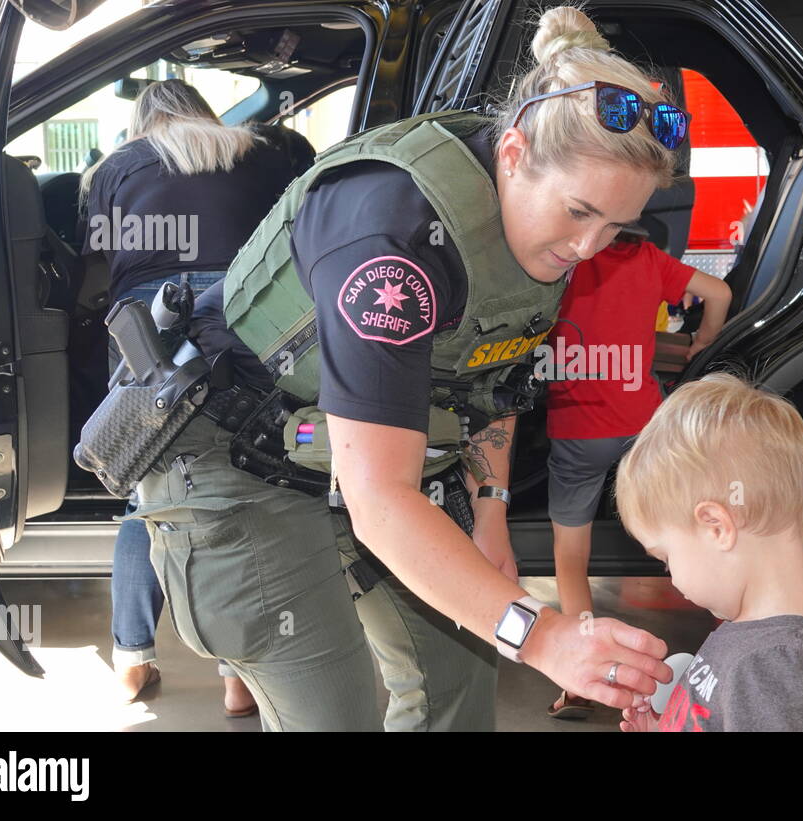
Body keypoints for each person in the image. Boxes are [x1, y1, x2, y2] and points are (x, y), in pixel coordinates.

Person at [109, 5, 683, 731]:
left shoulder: (548, 227)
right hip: (239, 459)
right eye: (579, 213)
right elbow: (380, 501)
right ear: (511, 153)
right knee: (336, 711)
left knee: (459, 681)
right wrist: (542, 633)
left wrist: (491, 515)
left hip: (360, 446)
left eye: (614, 227)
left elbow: (490, 368)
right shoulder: (393, 238)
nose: (589, 246)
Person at [80, 78, 307, 714]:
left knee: (146, 492)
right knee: (246, 485)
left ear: (141, 122)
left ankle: (132, 659)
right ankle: (239, 678)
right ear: (204, 113)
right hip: (239, 312)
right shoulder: (260, 152)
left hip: (148, 321)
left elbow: (98, 255)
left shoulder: (116, 166)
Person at [543, 230, 731, 719]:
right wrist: (704, 339)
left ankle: (583, 675)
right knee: (681, 538)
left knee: (570, 556)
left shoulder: (564, 258)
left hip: (577, 433)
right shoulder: (649, 259)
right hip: (644, 429)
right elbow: (720, 293)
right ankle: (728, 639)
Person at [614, 373, 803, 731]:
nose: (670, 577)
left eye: (666, 557)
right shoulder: (753, 640)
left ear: (717, 527)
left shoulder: (768, 667)